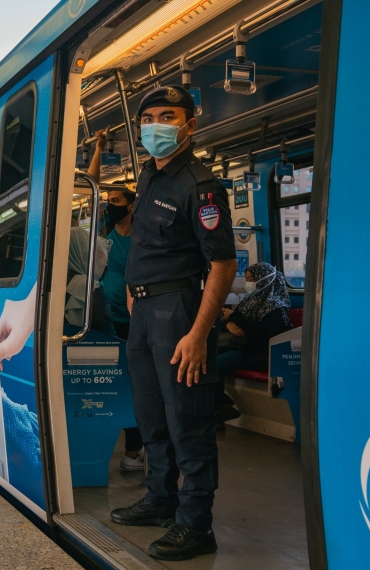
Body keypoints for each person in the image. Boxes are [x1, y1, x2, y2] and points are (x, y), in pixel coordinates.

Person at [110, 85, 237, 562]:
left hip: (178, 312)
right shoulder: (148, 176)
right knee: (151, 415)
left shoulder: (201, 185)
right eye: (149, 118)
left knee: (188, 419)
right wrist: (132, 290)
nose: (156, 126)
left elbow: (222, 263)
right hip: (142, 312)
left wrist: (199, 333)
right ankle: (160, 498)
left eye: (168, 116)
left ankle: (195, 524)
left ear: (190, 125)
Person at [88, 129, 144, 472]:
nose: (110, 205)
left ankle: (136, 449)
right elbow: (91, 186)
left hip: (136, 321)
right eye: (109, 201)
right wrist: (98, 148)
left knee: (134, 387)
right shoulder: (105, 228)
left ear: (133, 205)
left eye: (118, 201)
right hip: (107, 319)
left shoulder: (143, 236)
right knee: (114, 383)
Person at [215, 262, 293, 420]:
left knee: (216, 365)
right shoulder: (249, 302)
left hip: (260, 354)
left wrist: (234, 317)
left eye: (251, 279)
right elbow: (231, 322)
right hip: (243, 347)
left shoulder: (276, 307)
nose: (248, 283)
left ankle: (221, 406)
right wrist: (228, 323)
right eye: (247, 279)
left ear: (263, 279)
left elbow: (262, 333)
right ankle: (219, 407)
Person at [64, 227, 114, 336]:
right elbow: (106, 333)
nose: (103, 265)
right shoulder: (90, 289)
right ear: (84, 257)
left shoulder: (54, 284)